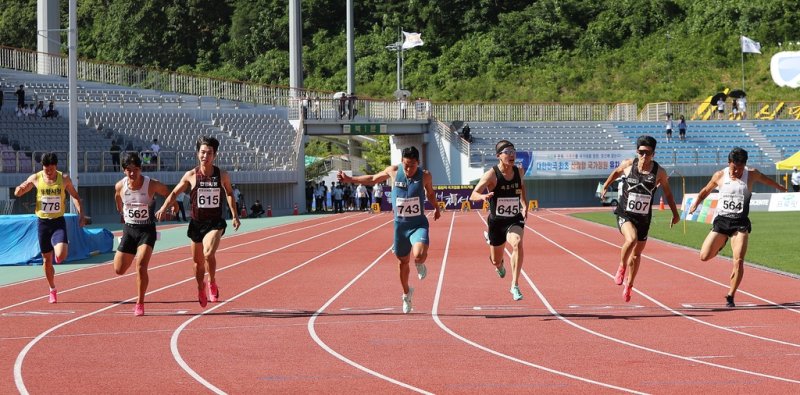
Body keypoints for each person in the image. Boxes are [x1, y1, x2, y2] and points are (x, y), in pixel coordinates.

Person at [337, 146, 441, 313]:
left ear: (418, 163)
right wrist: (350, 179)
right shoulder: (393, 171)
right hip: (400, 227)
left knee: (419, 255)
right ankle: (406, 293)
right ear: (401, 162)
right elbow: (372, 178)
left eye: (412, 166)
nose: (409, 169)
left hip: (418, 224)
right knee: (402, 262)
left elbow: (430, 194)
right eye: (406, 165)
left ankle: (420, 263)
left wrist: (436, 207)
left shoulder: (425, 175)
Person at [687, 147, 787, 307]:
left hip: (740, 223)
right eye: (734, 168)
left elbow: (766, 180)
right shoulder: (720, 175)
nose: (736, 172)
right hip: (722, 222)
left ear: (745, 165)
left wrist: (780, 187)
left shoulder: (751, 174)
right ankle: (721, 243)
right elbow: (705, 190)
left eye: (740, 169)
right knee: (704, 256)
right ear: (729, 163)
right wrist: (695, 204)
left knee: (738, 260)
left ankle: (730, 295)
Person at [155, 136, 241, 308]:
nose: (205, 156)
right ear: (197, 153)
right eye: (202, 152)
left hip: (215, 222)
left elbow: (230, 193)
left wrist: (234, 215)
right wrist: (163, 207)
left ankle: (212, 281)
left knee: (208, 253)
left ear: (215, 155)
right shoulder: (191, 175)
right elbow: (174, 193)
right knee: (198, 263)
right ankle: (200, 287)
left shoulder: (222, 175)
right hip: (196, 223)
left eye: (209, 153)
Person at [600, 135, 680, 302]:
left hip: (643, 219)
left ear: (653, 154)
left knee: (636, 255)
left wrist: (675, 214)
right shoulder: (629, 165)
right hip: (625, 213)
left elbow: (668, 194)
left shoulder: (659, 172)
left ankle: (629, 285)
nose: (644, 156)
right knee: (631, 239)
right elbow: (615, 173)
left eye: (648, 153)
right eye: (641, 152)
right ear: (637, 152)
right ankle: (621, 266)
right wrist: (605, 186)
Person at [14, 152, 86, 304]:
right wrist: (19, 190)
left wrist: (81, 213)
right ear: (43, 167)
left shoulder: (64, 178)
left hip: (58, 222)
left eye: (51, 169)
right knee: (47, 261)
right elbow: (21, 190)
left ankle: (59, 251)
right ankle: (52, 289)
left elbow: (75, 196)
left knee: (61, 255)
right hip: (43, 223)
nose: (49, 172)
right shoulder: (36, 178)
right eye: (46, 169)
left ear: (56, 167)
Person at [113, 153, 175, 316]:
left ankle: (139, 303)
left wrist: (172, 205)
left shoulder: (151, 184)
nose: (132, 173)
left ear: (140, 169)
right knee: (118, 269)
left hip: (146, 230)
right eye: (129, 170)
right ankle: (132, 251)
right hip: (129, 230)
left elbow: (167, 192)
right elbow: (117, 197)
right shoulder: (120, 186)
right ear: (124, 170)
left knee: (141, 266)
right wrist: (120, 209)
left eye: (136, 169)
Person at [470, 140, 529, 300]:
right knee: (496, 260)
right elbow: (473, 195)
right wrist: (483, 196)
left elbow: (522, 187)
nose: (511, 155)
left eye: (513, 151)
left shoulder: (519, 171)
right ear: (499, 156)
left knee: (517, 243)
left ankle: (514, 285)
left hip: (514, 219)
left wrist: (524, 205)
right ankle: (499, 265)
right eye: (507, 152)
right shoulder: (491, 175)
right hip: (497, 222)